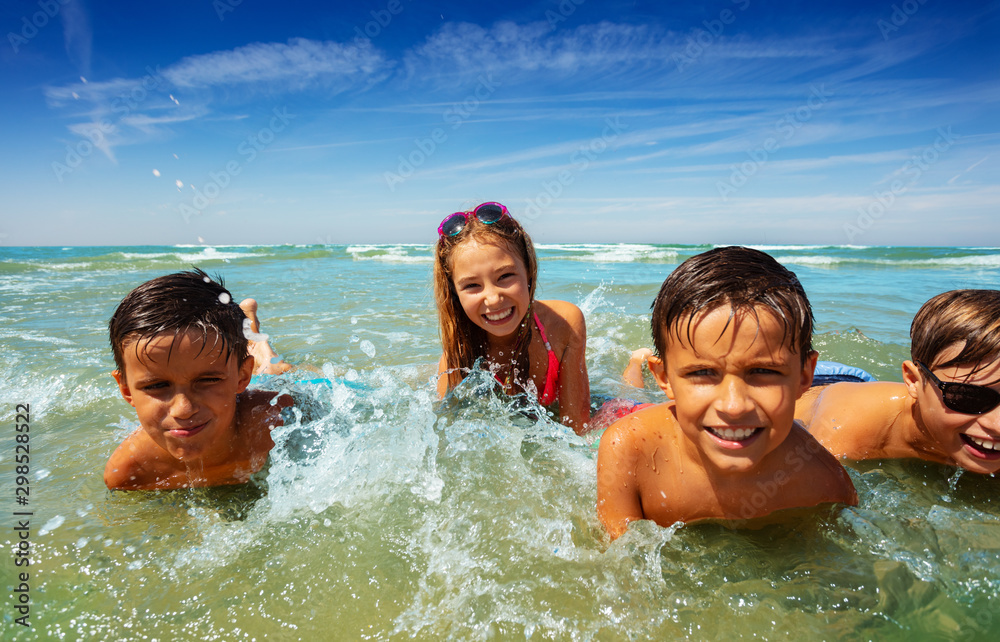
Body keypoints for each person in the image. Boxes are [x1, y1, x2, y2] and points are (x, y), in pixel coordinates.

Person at [597, 246, 857, 539]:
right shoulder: (629, 449)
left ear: (805, 376)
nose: (734, 407)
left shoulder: (822, 482)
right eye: (702, 373)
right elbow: (618, 562)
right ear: (665, 377)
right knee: (630, 399)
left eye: (763, 372)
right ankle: (636, 362)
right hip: (647, 416)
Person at [104, 269, 293, 490]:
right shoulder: (130, 474)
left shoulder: (270, 421)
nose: (183, 409)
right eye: (156, 385)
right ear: (126, 390)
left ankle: (253, 335)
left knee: (276, 370)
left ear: (243, 376)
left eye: (208, 380)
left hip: (251, 384)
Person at [434, 202, 596, 433]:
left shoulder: (564, 323)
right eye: (472, 285)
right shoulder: (457, 355)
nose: (492, 298)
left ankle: (635, 361)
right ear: (455, 294)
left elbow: (578, 429)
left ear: (528, 270)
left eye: (505, 276)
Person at [802, 289, 1000, 475]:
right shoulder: (847, 426)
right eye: (968, 396)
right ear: (914, 380)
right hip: (819, 383)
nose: (997, 425)